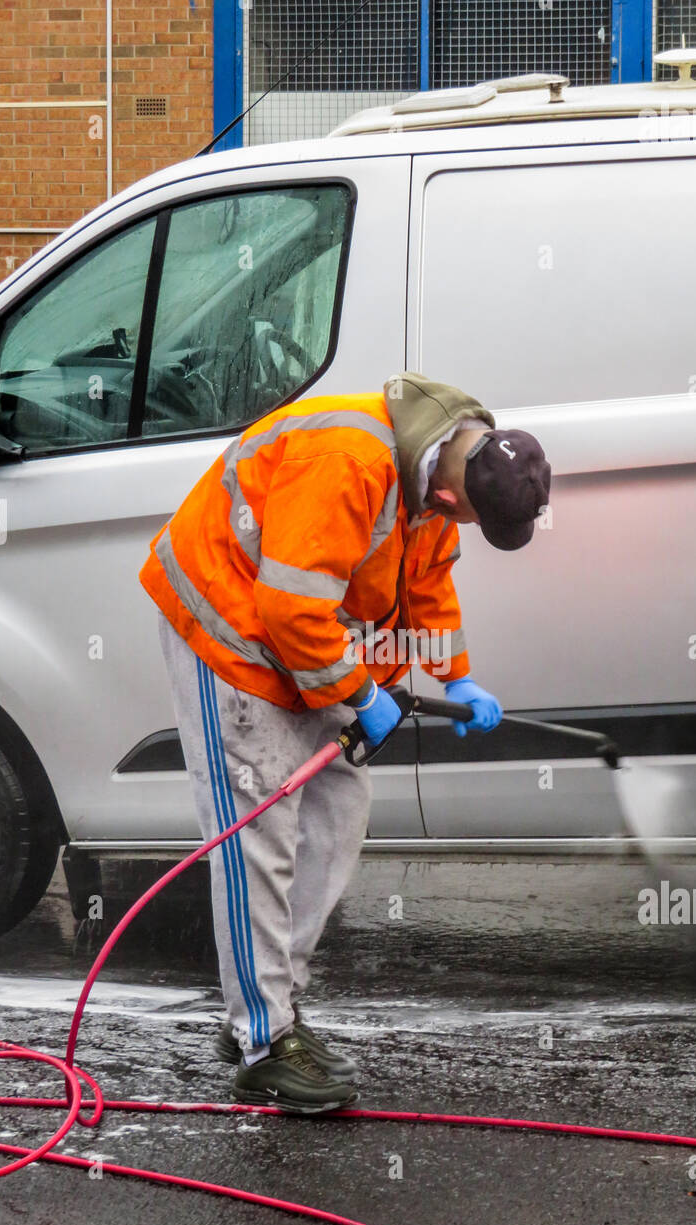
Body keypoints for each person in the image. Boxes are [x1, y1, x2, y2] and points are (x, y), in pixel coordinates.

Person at [139, 372, 551, 1113]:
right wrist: (361, 694)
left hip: (308, 637)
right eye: (467, 521)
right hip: (228, 626)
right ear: (456, 495)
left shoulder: (442, 460)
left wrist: (455, 676)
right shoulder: (347, 461)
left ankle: (276, 1008)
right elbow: (291, 607)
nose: (457, 529)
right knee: (256, 835)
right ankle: (261, 1043)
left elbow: (422, 579)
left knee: (333, 822)